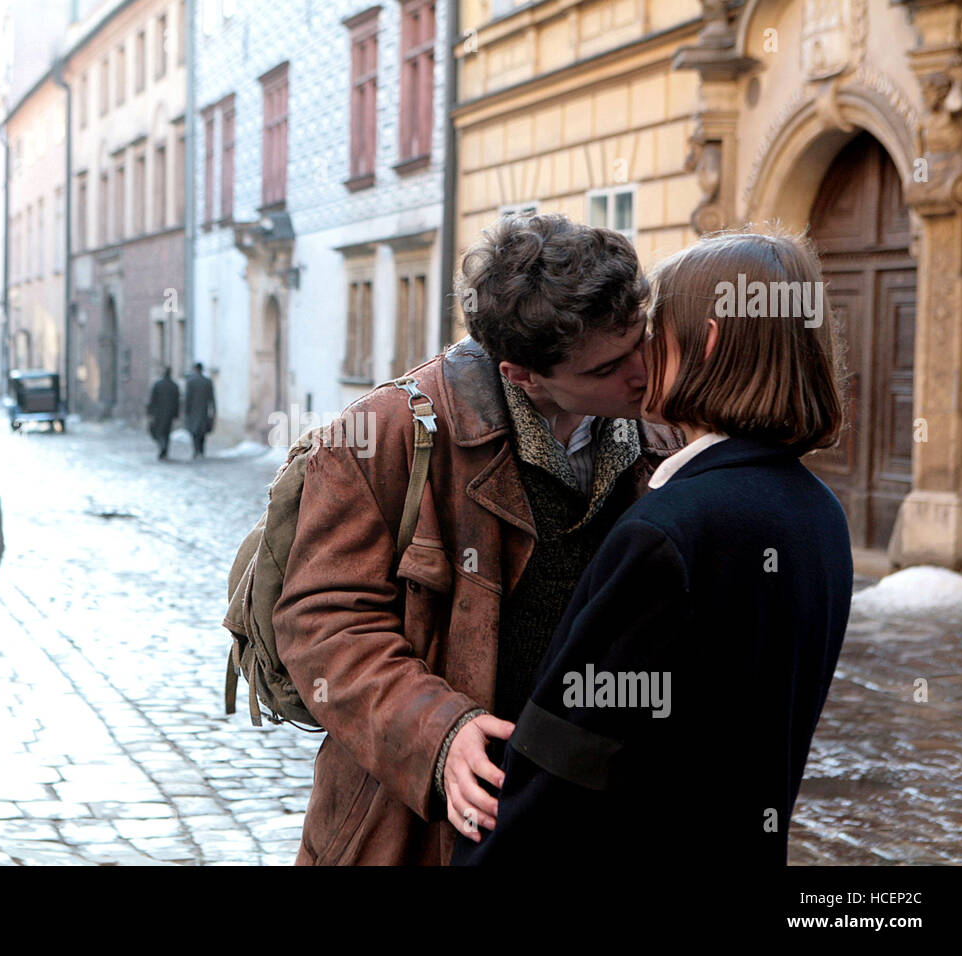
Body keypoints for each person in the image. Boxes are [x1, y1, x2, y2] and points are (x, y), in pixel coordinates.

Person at [271, 213, 685, 865]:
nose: (644, 372)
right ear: (524, 375)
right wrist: (438, 733)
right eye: (611, 364)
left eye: (642, 341)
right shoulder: (385, 437)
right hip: (419, 824)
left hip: (591, 811)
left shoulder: (664, 431)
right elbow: (321, 624)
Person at [455, 228, 852, 867]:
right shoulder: (818, 511)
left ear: (709, 342)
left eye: (653, 333)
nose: (639, 365)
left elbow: (561, 773)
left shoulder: (671, 530)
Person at [183, 362, 217, 459]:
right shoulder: (207, 381)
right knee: (202, 432)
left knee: (194, 431)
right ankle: (201, 450)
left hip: (193, 410)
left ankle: (196, 450)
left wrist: (186, 411)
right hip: (203, 410)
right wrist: (213, 410)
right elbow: (212, 398)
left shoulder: (191, 382)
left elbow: (188, 398)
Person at [146, 367, 180, 460]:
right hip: (170, 413)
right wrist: (176, 414)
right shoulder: (174, 386)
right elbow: (177, 402)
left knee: (160, 432)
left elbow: (152, 399)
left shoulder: (158, 385)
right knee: (167, 432)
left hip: (159, 413)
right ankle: (165, 449)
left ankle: (162, 446)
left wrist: (150, 412)